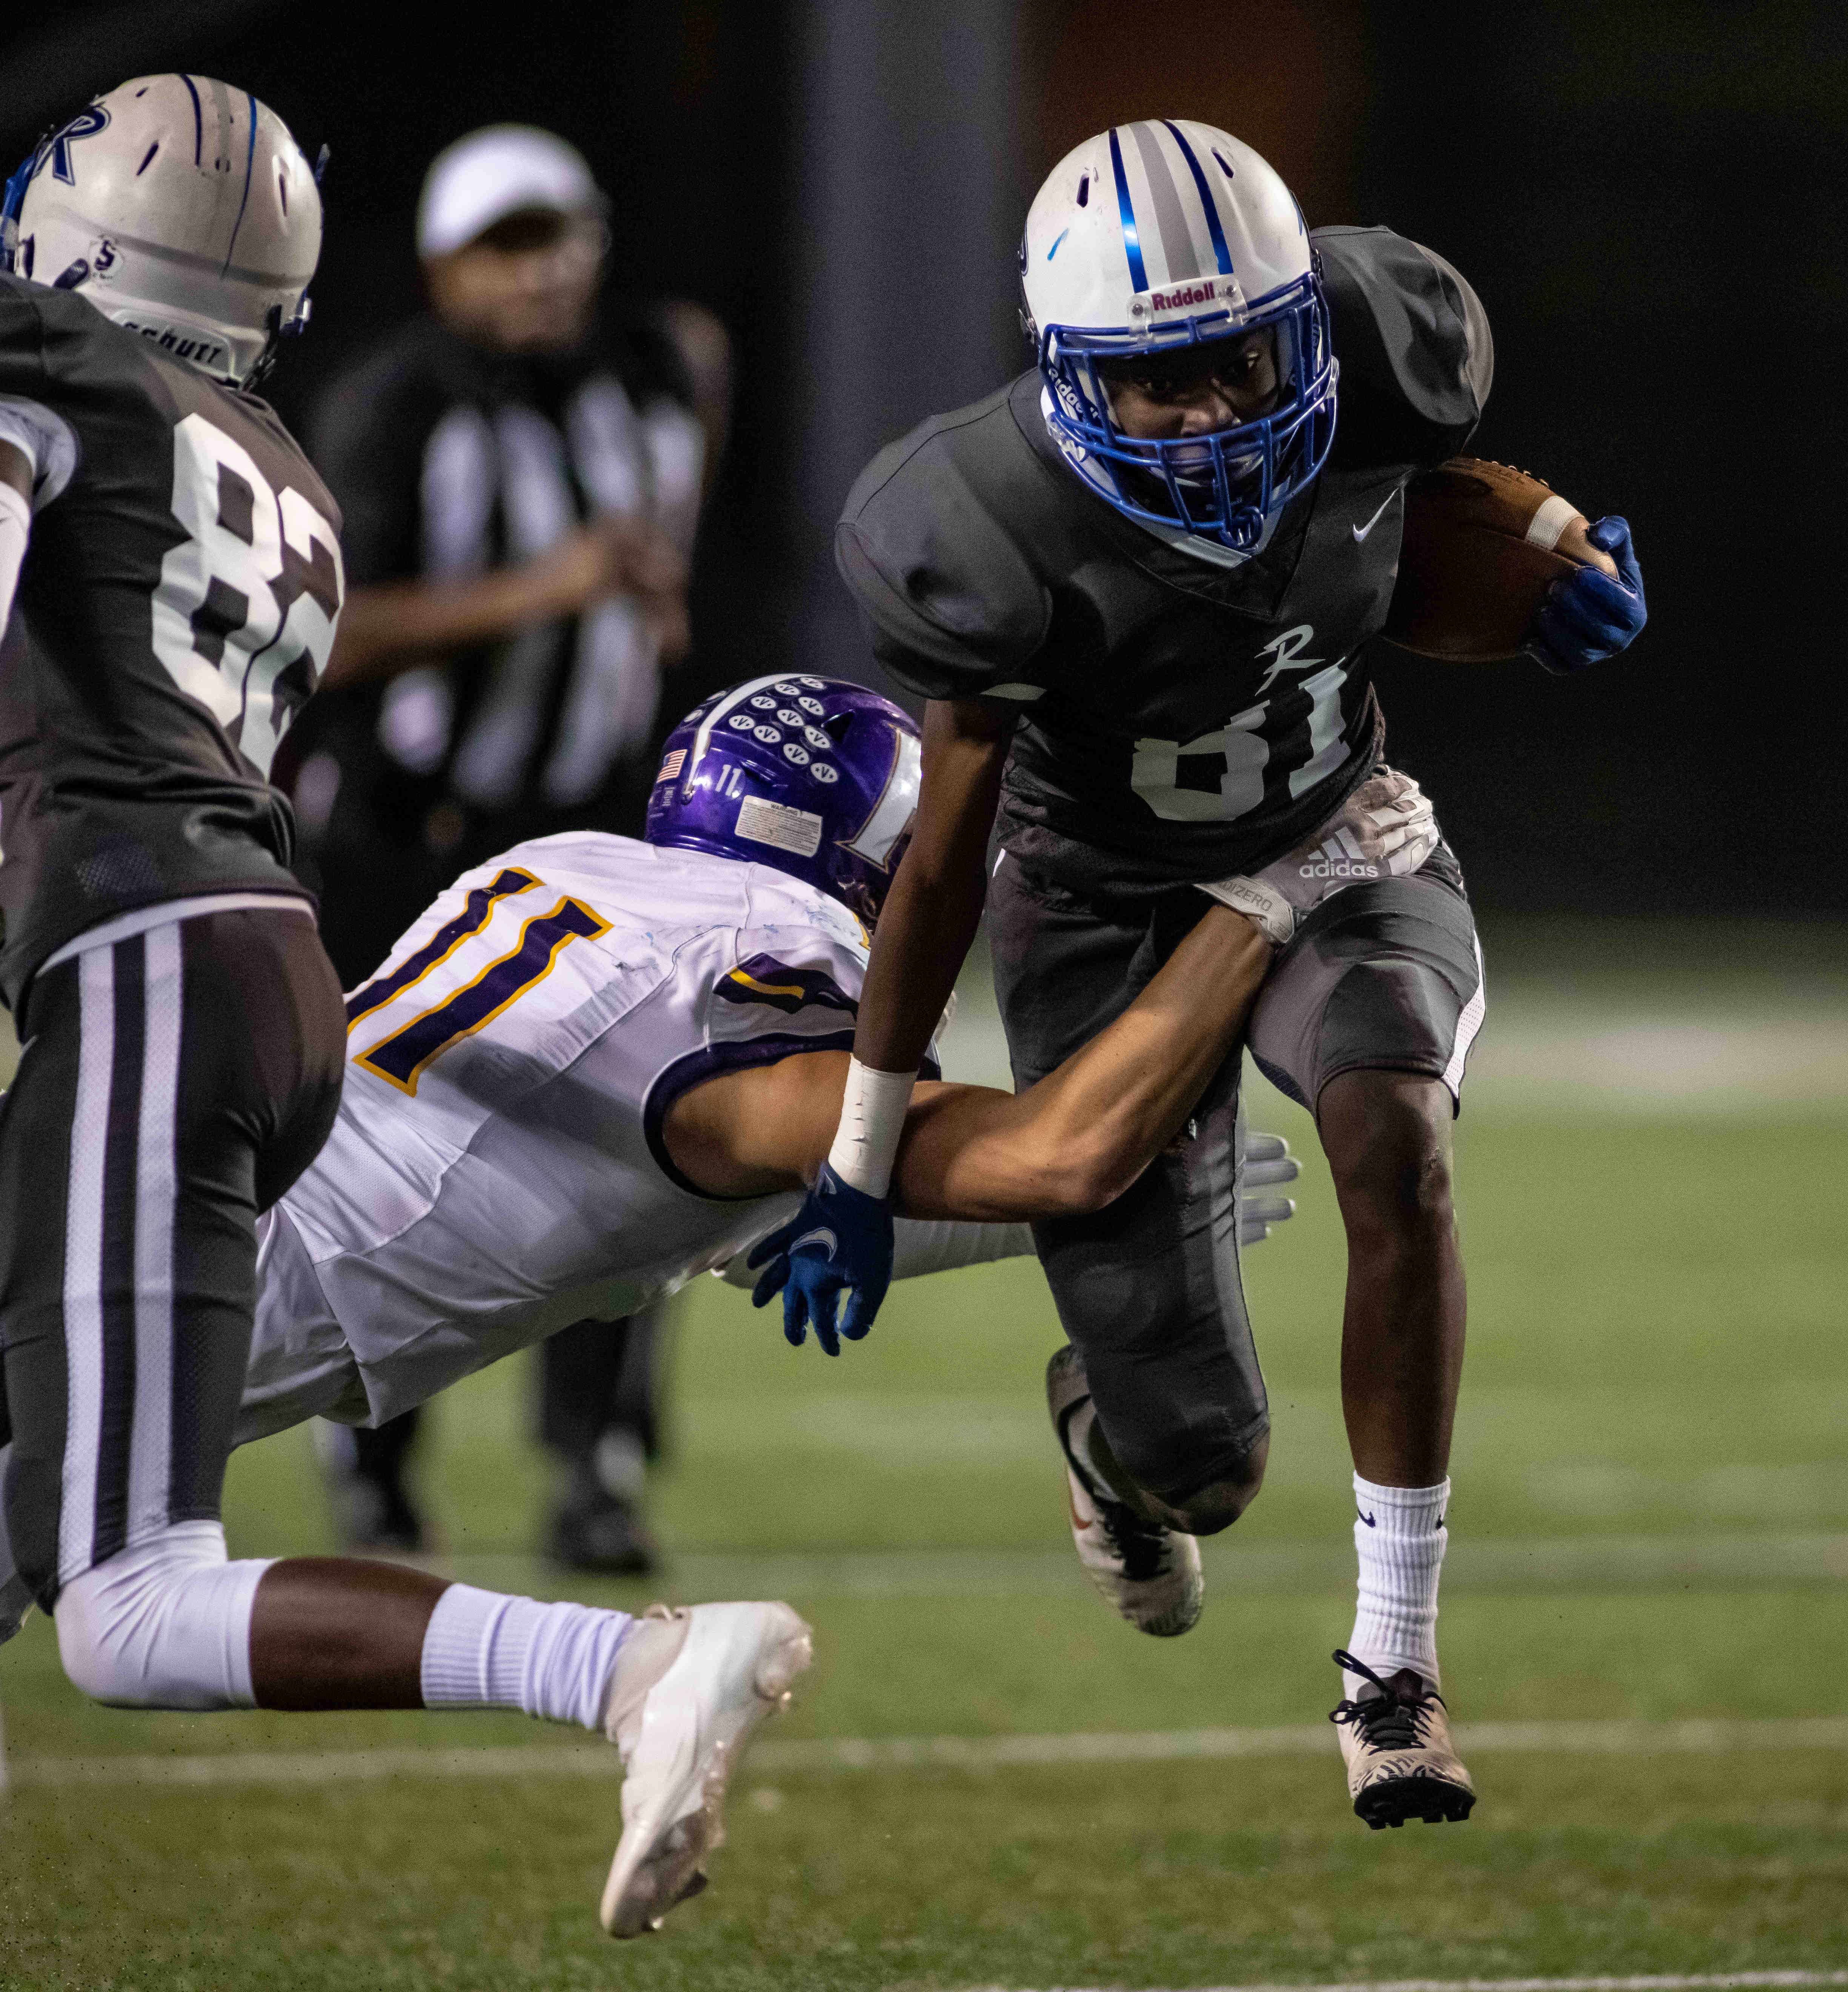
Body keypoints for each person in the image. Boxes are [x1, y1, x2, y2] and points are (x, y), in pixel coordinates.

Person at [760, 121, 1648, 1830]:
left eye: (1243, 361)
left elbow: (1431, 523)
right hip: (1101, 910)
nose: (1217, 414)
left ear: (1303, 327)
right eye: (1159, 386)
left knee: (1394, 1128)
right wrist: (864, 1159)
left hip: (1342, 846)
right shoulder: (977, 524)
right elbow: (942, 864)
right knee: (1205, 1466)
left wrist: (1554, 568)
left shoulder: (1393, 340)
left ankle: (1392, 1667)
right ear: (1073, 381)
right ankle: (1113, 1435)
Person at [0, 78, 808, 1945]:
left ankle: (619, 1670)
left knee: (125, 1609)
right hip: (259, 971)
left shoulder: (57, 364)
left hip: (147, 967)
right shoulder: (282, 467)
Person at [233, 678, 1337, 1471]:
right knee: (131, 1622)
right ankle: (627, 1681)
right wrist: (1273, 894)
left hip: (219, 1192)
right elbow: (1060, 1156)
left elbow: (740, 1211)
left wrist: (1045, 1219)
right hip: (241, 1294)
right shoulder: (750, 966)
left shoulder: (562, 868)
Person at [292, 124, 727, 1571]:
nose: (536, 274)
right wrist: (548, 589)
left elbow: (697, 373)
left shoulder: (655, 371)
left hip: (591, 837)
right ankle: (369, 1456)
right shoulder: (396, 405)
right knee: (369, 1158)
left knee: (642, 1154)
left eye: (556, 240)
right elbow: (334, 635)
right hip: (413, 841)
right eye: (503, 246)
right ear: (441, 266)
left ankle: (595, 1471)